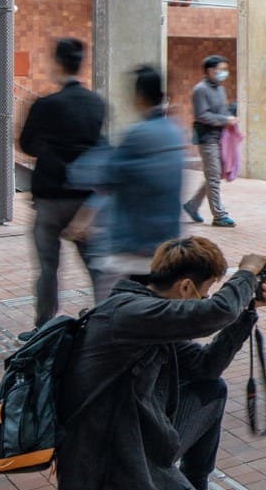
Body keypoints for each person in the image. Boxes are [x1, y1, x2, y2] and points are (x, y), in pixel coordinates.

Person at [56, 236, 266, 490]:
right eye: (204, 292)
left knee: (209, 391)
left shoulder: (150, 314)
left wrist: (246, 312)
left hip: (141, 449)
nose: (204, 299)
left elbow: (206, 368)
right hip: (108, 480)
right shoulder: (128, 314)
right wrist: (246, 273)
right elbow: (213, 313)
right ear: (186, 286)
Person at [70, 66, 187, 303]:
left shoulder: (137, 135)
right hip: (167, 240)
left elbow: (106, 179)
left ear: (139, 96)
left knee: (111, 305)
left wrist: (82, 220)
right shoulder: (174, 131)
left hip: (134, 243)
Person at [18, 37, 107, 325]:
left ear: (57, 63)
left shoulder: (45, 105)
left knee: (47, 267)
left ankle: (44, 325)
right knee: (94, 266)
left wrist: (49, 148)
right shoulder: (96, 104)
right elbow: (100, 146)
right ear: (81, 65)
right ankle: (106, 320)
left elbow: (26, 145)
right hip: (84, 203)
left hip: (49, 199)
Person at [184, 55, 237, 228]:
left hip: (220, 136)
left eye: (225, 69)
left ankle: (192, 205)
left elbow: (221, 111)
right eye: (220, 69)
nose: (224, 73)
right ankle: (219, 215)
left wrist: (229, 116)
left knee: (214, 175)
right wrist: (224, 120)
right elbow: (202, 115)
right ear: (209, 70)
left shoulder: (219, 88)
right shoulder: (200, 89)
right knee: (213, 176)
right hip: (207, 137)